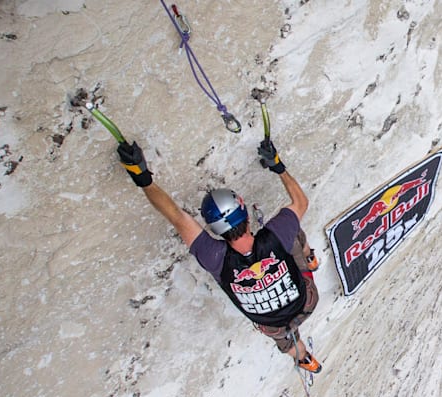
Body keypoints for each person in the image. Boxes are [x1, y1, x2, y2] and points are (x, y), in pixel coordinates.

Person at [116, 138, 323, 373]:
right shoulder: (275, 235)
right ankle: (308, 258)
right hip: (307, 302)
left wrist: (143, 179)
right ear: (245, 214)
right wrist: (277, 165)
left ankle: (304, 358)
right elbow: (300, 202)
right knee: (293, 232)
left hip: (272, 326)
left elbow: (177, 216)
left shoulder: (214, 257)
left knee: (283, 336)